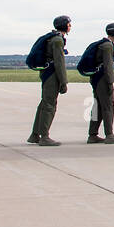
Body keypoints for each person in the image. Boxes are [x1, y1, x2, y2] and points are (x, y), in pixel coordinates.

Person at [28, 15, 72, 146]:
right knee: (49, 105)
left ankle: (35, 135)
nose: (70, 27)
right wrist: (64, 82)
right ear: (63, 25)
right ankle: (44, 136)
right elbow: (59, 63)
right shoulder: (58, 40)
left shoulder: (52, 38)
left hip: (46, 73)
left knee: (44, 104)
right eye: (69, 24)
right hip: (52, 74)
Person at [87, 22, 114, 144]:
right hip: (103, 79)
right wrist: (110, 82)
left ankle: (92, 134)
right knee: (108, 106)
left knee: (97, 107)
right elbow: (108, 67)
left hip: (96, 78)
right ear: (113, 32)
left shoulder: (103, 44)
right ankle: (109, 134)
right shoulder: (108, 46)